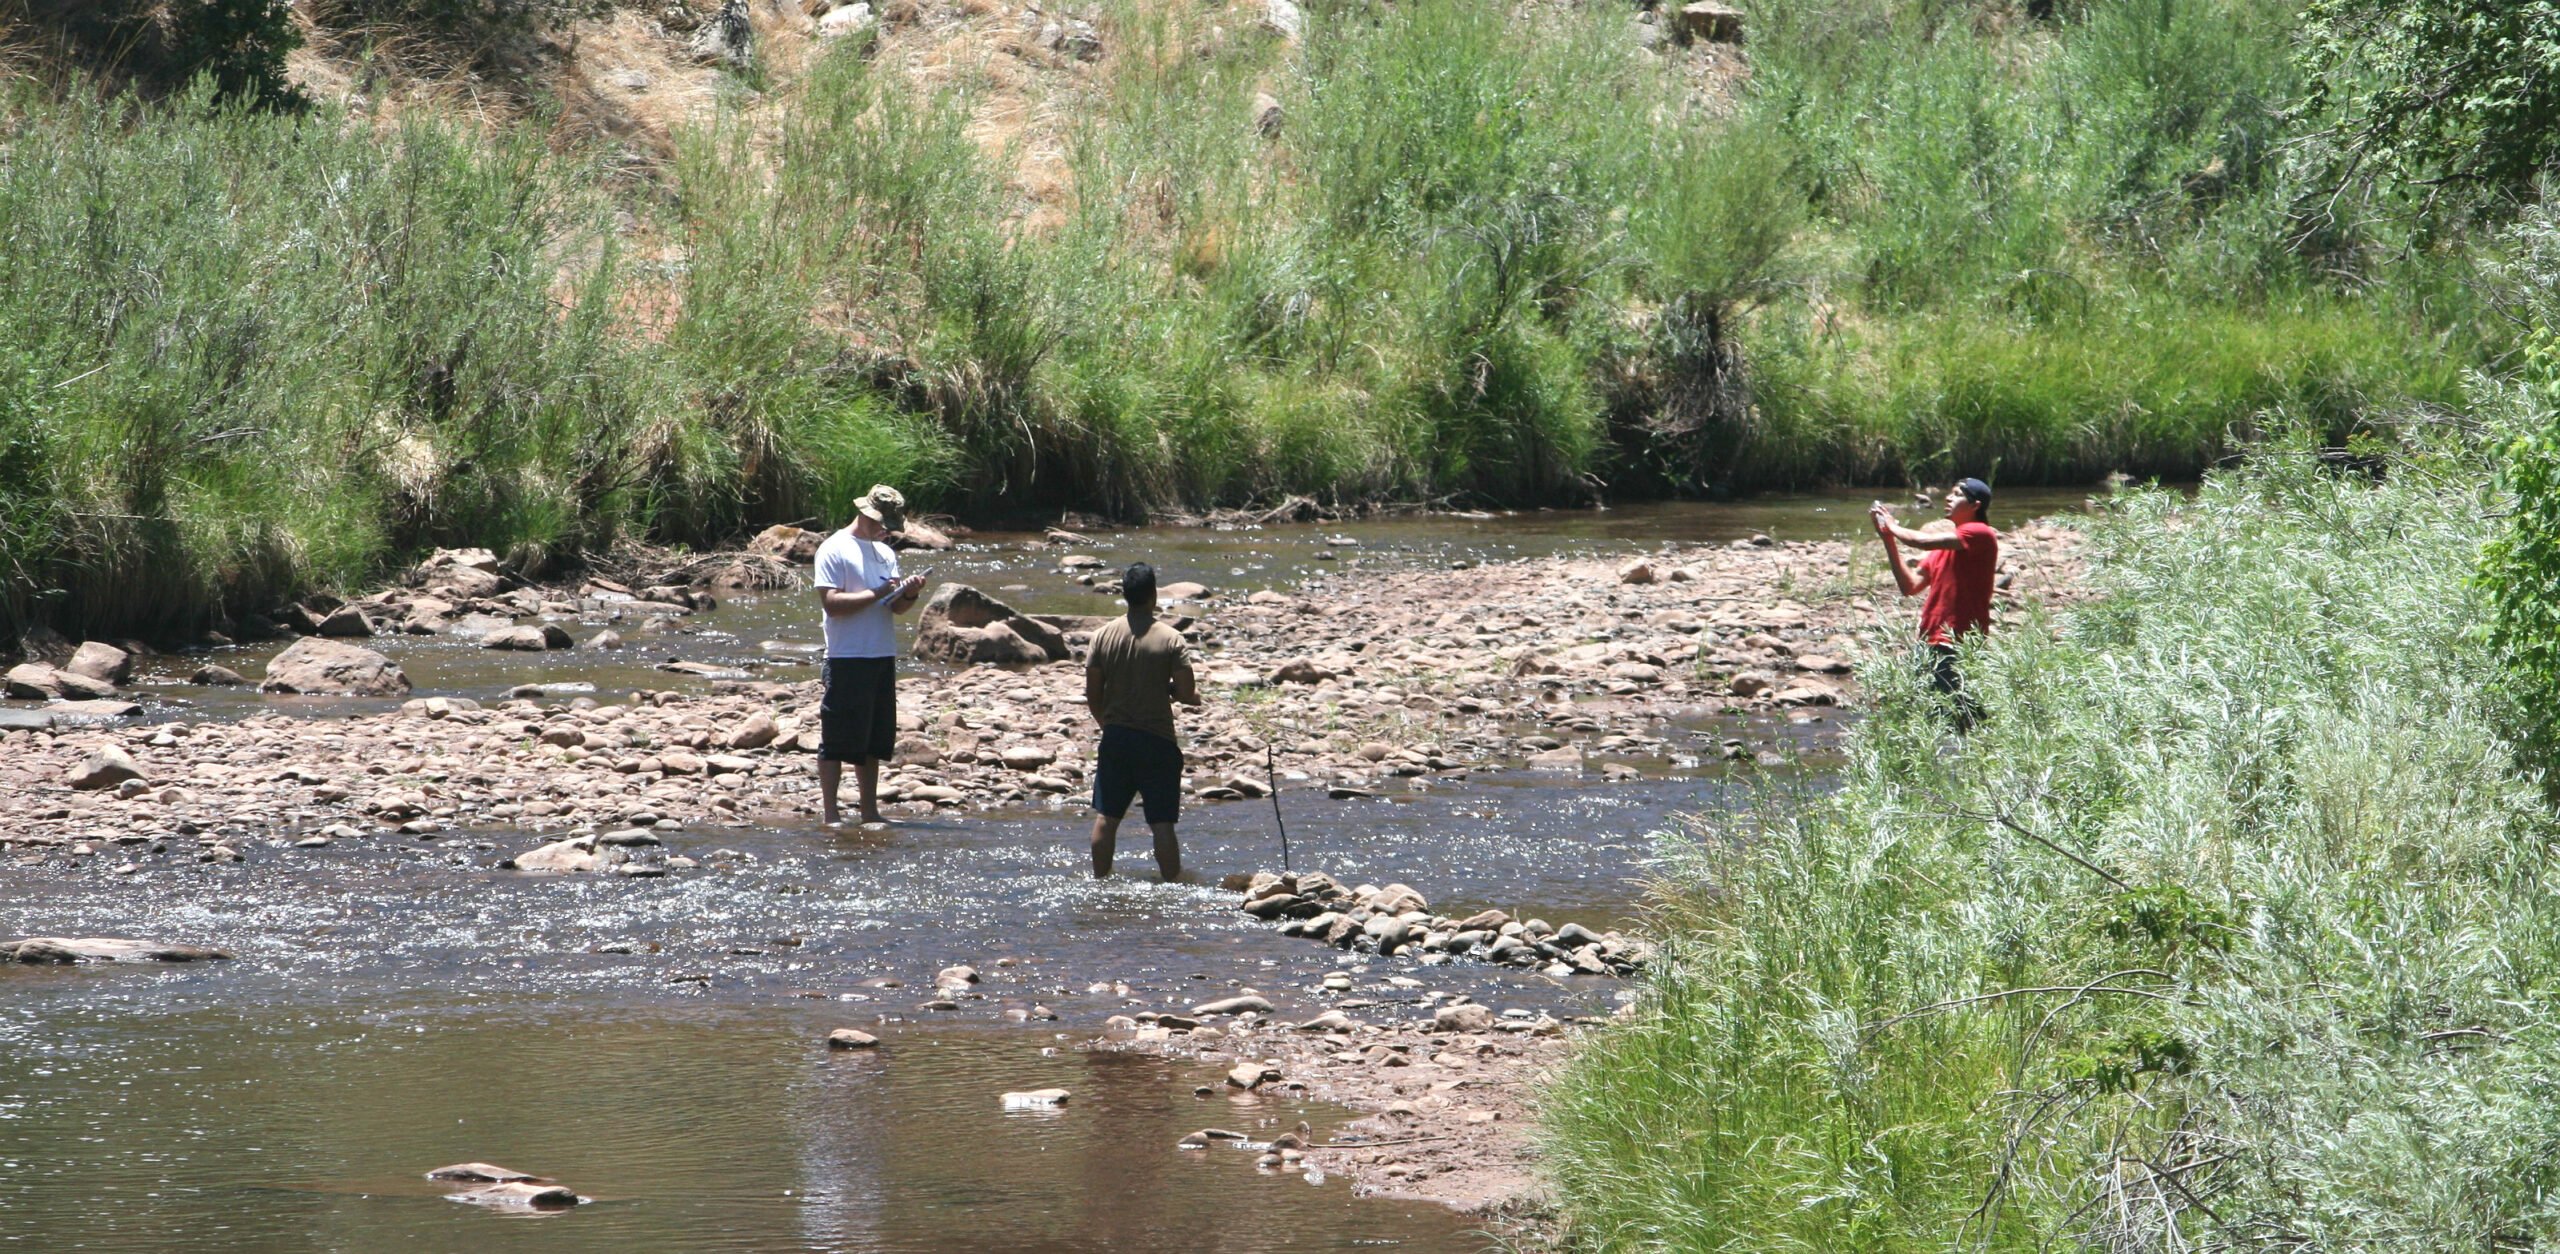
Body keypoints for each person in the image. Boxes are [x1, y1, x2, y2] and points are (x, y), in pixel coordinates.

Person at [813, 485, 926, 827]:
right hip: (846, 656)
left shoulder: (884, 551)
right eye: (883, 523)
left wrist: (910, 594)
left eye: (890, 525)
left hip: (881, 653)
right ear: (865, 514)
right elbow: (832, 605)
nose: (886, 530)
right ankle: (831, 814)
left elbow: (895, 610)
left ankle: (869, 811)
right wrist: (878, 591)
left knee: (873, 739)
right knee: (836, 739)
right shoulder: (834, 548)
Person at [1084, 562, 1199, 880]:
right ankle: (1172, 887)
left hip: (1117, 738)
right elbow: (1188, 691)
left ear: (1124, 595)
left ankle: (1100, 884)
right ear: (1153, 595)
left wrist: (1107, 725)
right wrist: (1176, 692)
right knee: (1162, 824)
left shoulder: (1102, 636)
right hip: (1157, 741)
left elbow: (1093, 694)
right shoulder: (1171, 638)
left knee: (1107, 818)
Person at [1870, 477, 2000, 726]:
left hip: (1958, 642)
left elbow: (1920, 541)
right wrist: (1887, 538)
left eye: (1957, 494)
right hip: (1929, 642)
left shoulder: (1981, 533)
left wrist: (1893, 526)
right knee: (1925, 717)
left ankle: (1979, 759)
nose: (1949, 498)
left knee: (1963, 717)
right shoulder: (1942, 551)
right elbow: (1909, 586)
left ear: (1975, 505)